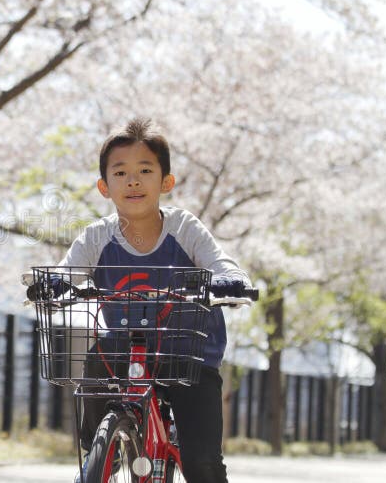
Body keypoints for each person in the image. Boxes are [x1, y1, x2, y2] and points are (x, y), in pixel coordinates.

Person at [55, 117, 251, 483]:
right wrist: (55, 284)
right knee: (98, 360)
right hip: (122, 351)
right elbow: (68, 271)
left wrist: (231, 281)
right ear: (104, 186)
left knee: (202, 462)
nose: (133, 180)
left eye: (145, 170)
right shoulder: (97, 237)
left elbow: (219, 262)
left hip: (186, 353)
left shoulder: (184, 229)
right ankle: (104, 452)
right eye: (120, 172)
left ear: (166, 182)